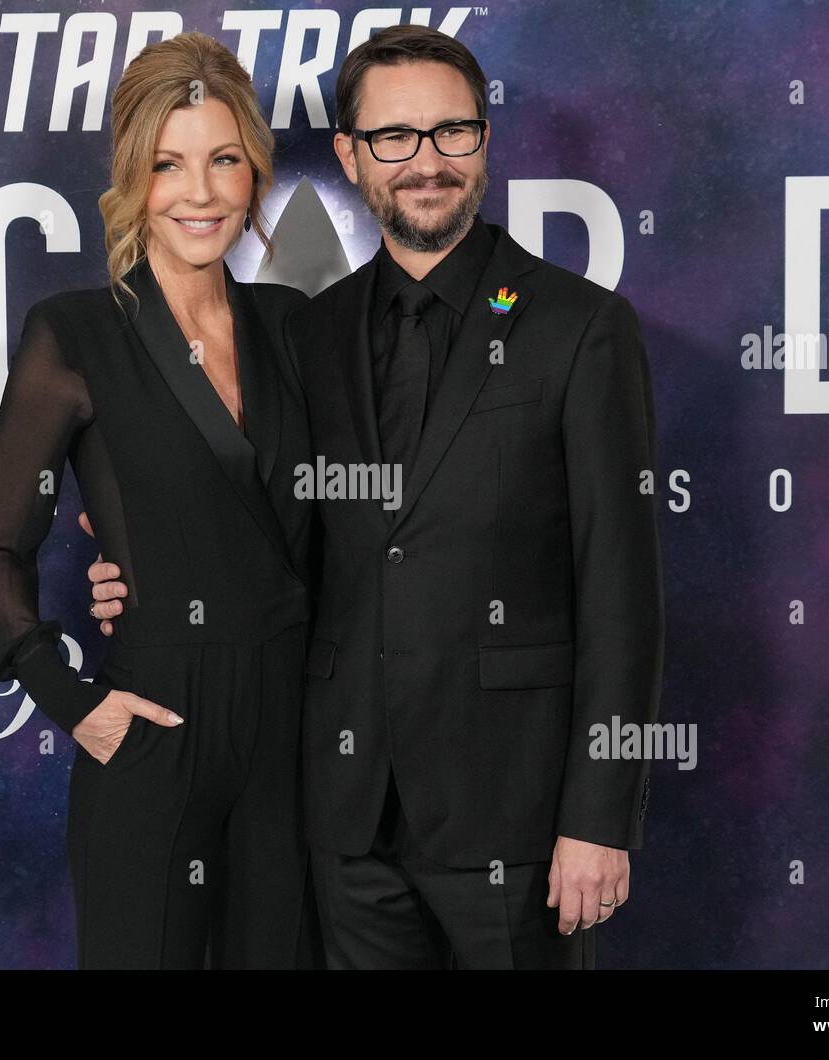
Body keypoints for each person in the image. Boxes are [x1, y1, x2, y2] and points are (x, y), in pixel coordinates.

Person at [87, 24, 664, 970]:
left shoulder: (580, 327)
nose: (426, 162)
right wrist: (135, 560)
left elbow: (622, 592)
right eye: (395, 138)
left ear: (484, 143)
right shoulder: (305, 335)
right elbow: (264, 531)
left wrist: (598, 818)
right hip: (342, 819)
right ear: (352, 156)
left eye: (452, 133)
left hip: (516, 825)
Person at [0, 31, 319, 969]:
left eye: (223, 160)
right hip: (153, 727)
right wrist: (72, 700)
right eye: (169, 164)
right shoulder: (75, 333)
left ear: (255, 172)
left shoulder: (294, 328)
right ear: (133, 176)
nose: (200, 192)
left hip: (291, 737)